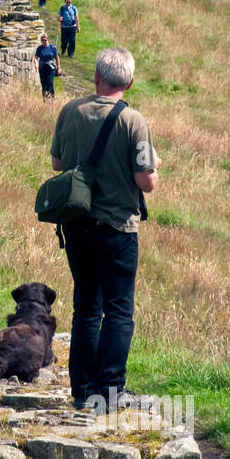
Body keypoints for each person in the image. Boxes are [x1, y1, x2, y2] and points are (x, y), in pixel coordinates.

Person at [49, 47, 159, 409]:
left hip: (77, 225)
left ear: (96, 76)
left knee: (86, 307)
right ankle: (109, 391)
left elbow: (57, 162)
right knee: (118, 310)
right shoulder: (134, 121)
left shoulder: (70, 110)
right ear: (129, 82)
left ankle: (82, 391)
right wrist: (154, 165)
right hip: (118, 227)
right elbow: (146, 182)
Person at [33, 33, 60, 98]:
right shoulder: (40, 48)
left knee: (50, 82)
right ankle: (45, 98)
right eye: (43, 40)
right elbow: (36, 57)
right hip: (42, 68)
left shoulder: (52, 47)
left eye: (45, 40)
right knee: (44, 83)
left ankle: (51, 97)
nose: (44, 41)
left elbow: (57, 57)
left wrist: (58, 67)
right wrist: (36, 64)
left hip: (51, 68)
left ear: (48, 40)